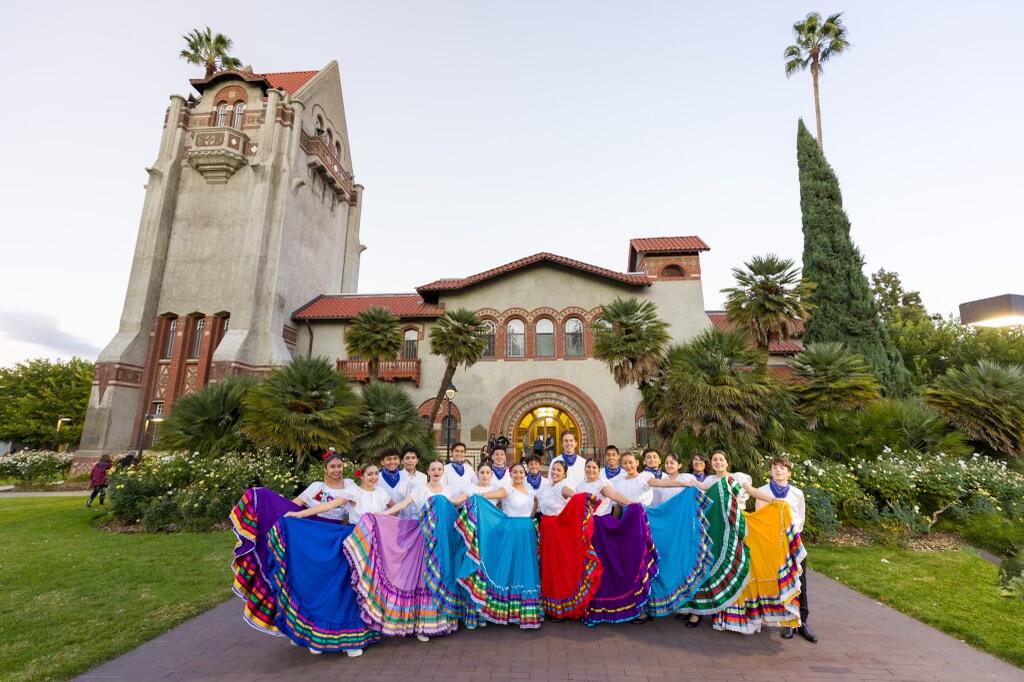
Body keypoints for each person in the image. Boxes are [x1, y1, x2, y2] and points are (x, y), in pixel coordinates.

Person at [457, 462, 543, 628]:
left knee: (526, 568)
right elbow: (488, 495)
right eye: (515, 472)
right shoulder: (507, 489)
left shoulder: (531, 491)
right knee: (510, 568)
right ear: (510, 475)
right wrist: (473, 494)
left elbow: (534, 508)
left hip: (527, 531)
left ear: (525, 474)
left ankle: (525, 611)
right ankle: (506, 610)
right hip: (512, 531)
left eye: (521, 472)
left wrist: (529, 521)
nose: (518, 475)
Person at [677, 450, 753, 622]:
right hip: (713, 528)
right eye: (714, 460)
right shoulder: (710, 480)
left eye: (721, 459)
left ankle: (727, 612)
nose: (718, 462)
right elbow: (699, 487)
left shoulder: (737, 478)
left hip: (732, 529)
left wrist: (773, 501)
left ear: (727, 462)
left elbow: (752, 491)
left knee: (728, 564)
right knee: (706, 564)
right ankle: (698, 609)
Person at [756, 456, 815, 643]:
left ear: (789, 472)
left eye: (783, 468)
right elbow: (760, 517)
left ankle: (802, 622)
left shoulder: (797, 493)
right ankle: (787, 623)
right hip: (773, 544)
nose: (778, 470)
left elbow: (800, 517)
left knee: (800, 581)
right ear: (770, 471)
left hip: (793, 542)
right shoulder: (762, 491)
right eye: (775, 467)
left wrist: (792, 536)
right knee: (781, 582)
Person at [538, 461, 601, 621]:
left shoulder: (562, 487)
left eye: (559, 470)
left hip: (557, 528)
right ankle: (550, 607)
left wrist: (588, 499)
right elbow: (536, 503)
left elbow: (576, 497)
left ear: (565, 474)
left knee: (559, 567)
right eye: (554, 469)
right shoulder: (545, 487)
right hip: (545, 527)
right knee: (548, 566)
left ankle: (562, 608)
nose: (555, 472)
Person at [287, 463, 396, 525]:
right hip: (354, 532)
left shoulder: (379, 491)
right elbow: (327, 505)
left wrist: (384, 521)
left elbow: (396, 508)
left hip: (378, 532)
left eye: (376, 473)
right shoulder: (353, 491)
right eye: (370, 474)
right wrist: (298, 514)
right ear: (362, 476)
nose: (374, 477)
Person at [612, 451, 693, 508]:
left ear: (637, 462)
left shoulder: (647, 476)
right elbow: (618, 505)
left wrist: (683, 483)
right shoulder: (620, 482)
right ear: (621, 465)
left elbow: (661, 483)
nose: (628, 466)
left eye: (631, 462)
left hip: (646, 515)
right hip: (628, 517)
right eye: (625, 463)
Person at [293, 450, 354, 522]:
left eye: (339, 466)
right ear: (325, 469)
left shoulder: (348, 484)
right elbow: (295, 504)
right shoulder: (316, 487)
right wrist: (281, 501)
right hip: (318, 525)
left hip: (338, 527)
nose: (337, 470)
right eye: (332, 467)